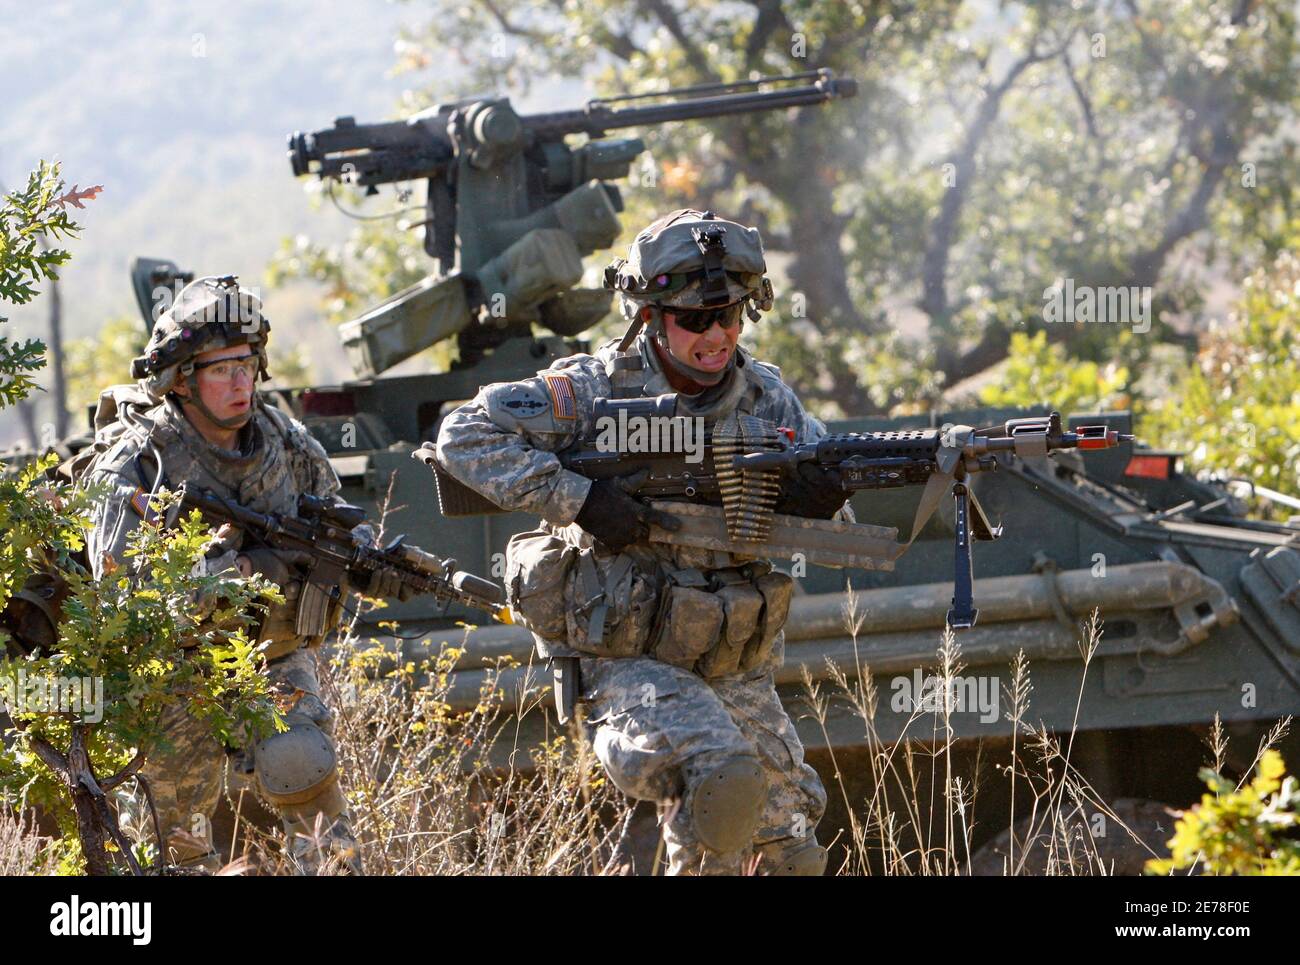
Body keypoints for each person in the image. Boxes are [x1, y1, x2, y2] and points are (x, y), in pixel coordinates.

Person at [432, 209, 849, 875]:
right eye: (695, 319)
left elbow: (832, 497)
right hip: (628, 656)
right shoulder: (591, 391)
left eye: (732, 314)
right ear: (650, 317)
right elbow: (463, 436)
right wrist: (582, 500)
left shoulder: (765, 395)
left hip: (728, 654)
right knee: (723, 779)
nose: (718, 334)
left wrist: (818, 497)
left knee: (793, 844)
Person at [78, 275, 397, 874]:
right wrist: (247, 569)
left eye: (248, 364)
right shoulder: (139, 460)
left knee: (302, 763)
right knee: (172, 843)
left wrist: (368, 564)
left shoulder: (282, 440)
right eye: (222, 369)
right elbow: (118, 585)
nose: (241, 382)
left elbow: (336, 523)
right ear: (181, 379)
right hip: (168, 669)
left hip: (269, 654)